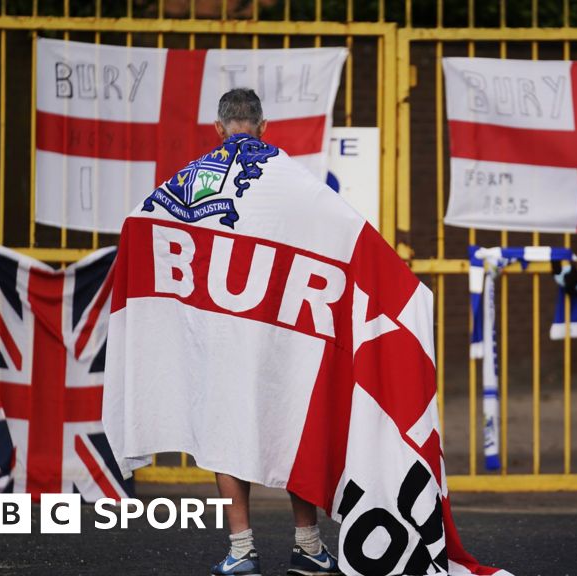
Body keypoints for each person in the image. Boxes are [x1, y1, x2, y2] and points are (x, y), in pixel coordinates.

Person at [204, 88, 340, 576]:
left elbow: (144, 221)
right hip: (284, 325)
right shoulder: (293, 176)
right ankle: (308, 546)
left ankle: (241, 552)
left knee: (227, 432)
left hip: (223, 326)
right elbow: (335, 231)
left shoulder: (193, 181)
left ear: (219, 130)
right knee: (291, 428)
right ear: (264, 127)